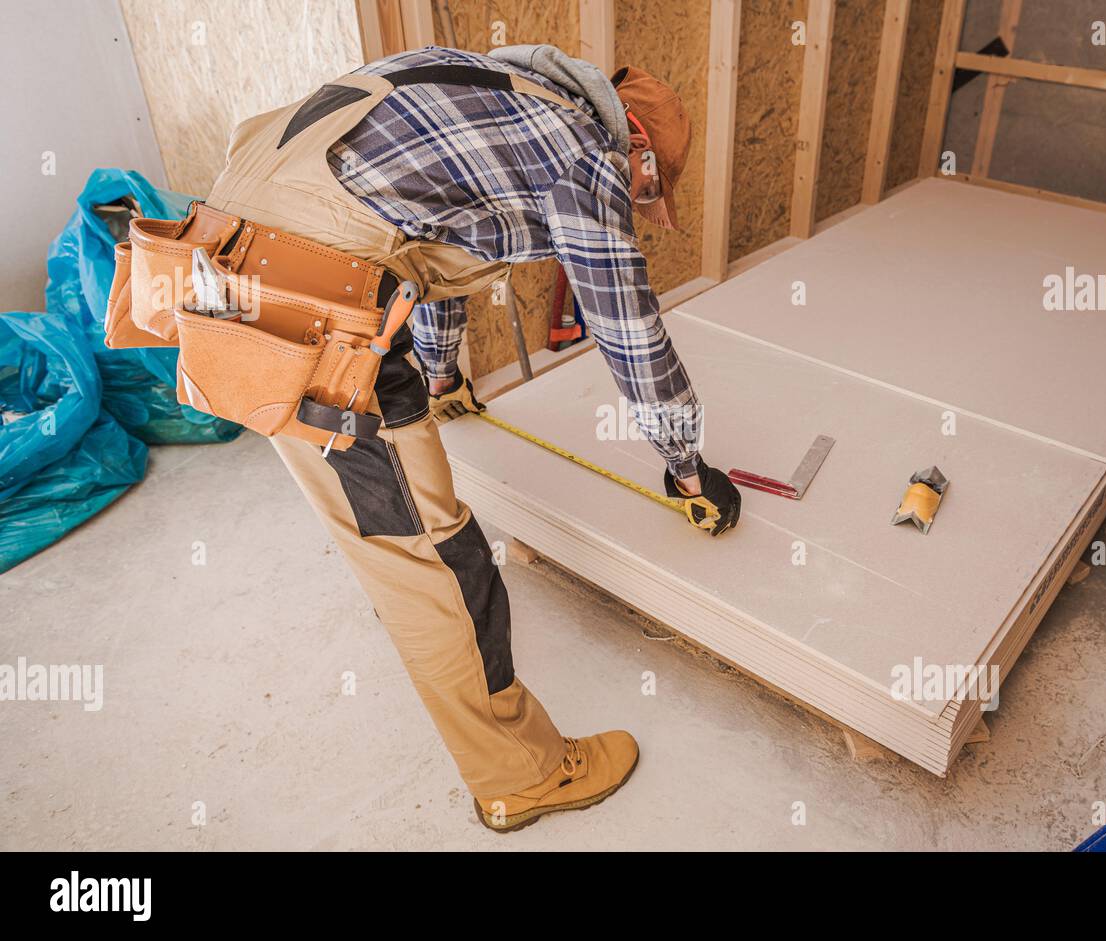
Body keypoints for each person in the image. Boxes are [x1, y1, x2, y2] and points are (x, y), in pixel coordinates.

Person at [203, 44, 741, 832]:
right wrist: (687, 469)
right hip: (309, 297)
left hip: (248, 253)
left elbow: (424, 252)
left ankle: (442, 650)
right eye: (646, 188)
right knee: (437, 556)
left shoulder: (494, 93)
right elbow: (630, 333)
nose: (634, 202)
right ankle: (521, 774)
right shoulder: (582, 156)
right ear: (637, 148)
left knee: (403, 530)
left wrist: (442, 377)